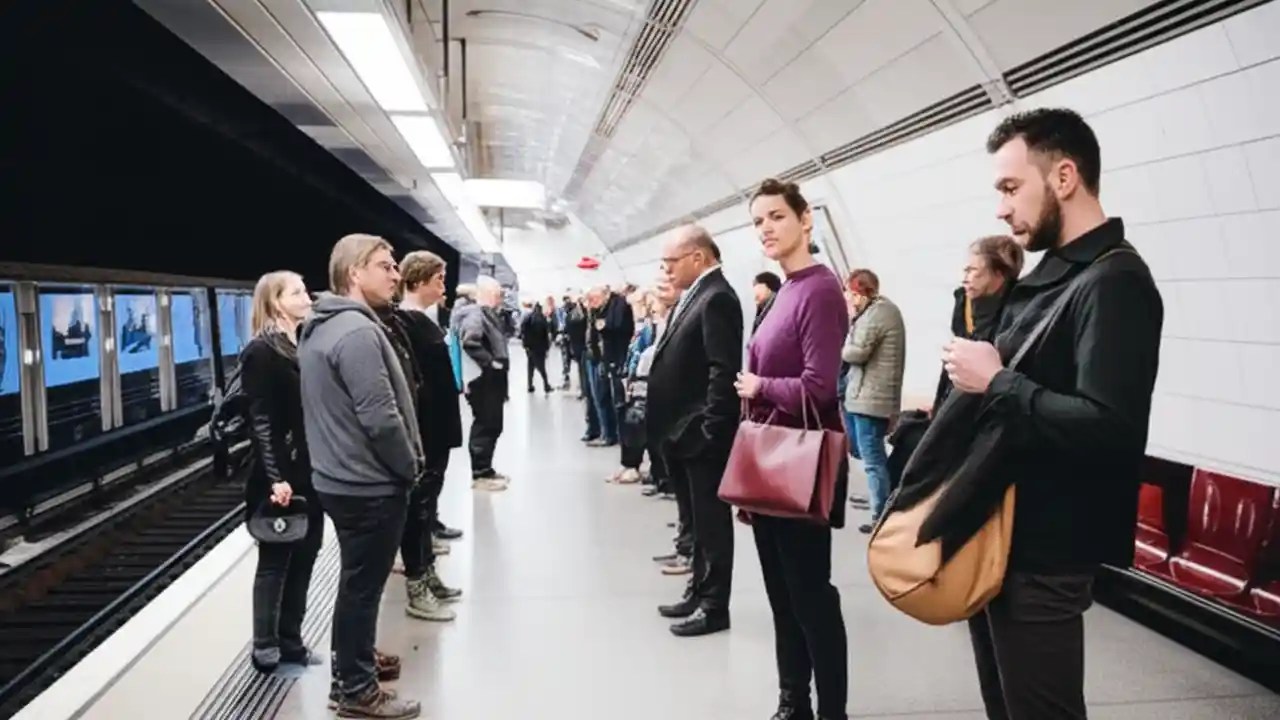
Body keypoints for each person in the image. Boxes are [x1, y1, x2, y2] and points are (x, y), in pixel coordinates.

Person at [944, 108, 1163, 719]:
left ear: (1064, 177)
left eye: (1011, 188)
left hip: (1046, 548)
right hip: (1006, 533)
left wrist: (997, 382)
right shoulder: (1060, 278)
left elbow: (1111, 427)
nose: (1001, 207)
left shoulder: (1114, 282)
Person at [736, 179, 850, 720]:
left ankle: (831, 710)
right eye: (758, 221)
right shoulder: (784, 290)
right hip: (770, 460)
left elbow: (820, 387)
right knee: (782, 597)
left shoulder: (821, 290)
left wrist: (760, 388)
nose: (766, 229)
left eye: (777, 217)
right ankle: (792, 702)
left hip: (799, 463)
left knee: (811, 598)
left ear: (806, 220)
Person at [298, 233, 423, 719]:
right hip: (368, 483)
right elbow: (380, 417)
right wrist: (408, 466)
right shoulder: (357, 333)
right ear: (355, 273)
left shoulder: (320, 325)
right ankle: (354, 688)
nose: (395, 274)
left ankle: (358, 659)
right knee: (361, 587)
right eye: (385, 266)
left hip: (338, 477)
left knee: (356, 582)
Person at [648, 224, 742, 637]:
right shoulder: (696, 296)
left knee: (712, 526)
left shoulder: (717, 297)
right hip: (683, 437)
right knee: (696, 526)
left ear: (698, 258)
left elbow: (723, 371)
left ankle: (714, 606)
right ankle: (697, 590)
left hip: (701, 439)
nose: (666, 271)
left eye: (671, 262)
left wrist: (710, 432)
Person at [241, 270, 324, 675]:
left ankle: (291, 639)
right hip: (281, 474)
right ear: (275, 302)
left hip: (311, 469)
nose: (307, 297)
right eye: (297, 292)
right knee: (275, 560)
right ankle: (265, 644)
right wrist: (276, 478)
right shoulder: (261, 351)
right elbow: (261, 421)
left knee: (306, 554)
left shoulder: (303, 342)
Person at [397, 250, 465, 622]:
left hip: (437, 429)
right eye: (438, 279)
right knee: (418, 509)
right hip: (426, 430)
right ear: (418, 280)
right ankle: (417, 583)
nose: (443, 286)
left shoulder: (423, 321)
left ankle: (428, 573)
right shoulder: (407, 323)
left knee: (427, 508)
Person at [841, 269, 905, 533]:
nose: (846, 298)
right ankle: (878, 499)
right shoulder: (874, 312)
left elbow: (855, 352)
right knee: (870, 454)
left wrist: (844, 344)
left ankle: (881, 514)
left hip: (871, 399)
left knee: (872, 458)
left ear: (858, 293)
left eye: (849, 292)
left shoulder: (878, 313)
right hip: (866, 396)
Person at [453, 275, 511, 489]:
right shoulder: (476, 314)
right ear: (488, 294)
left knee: (493, 424)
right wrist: (490, 363)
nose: (501, 298)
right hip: (482, 379)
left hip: (489, 380)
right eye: (498, 294)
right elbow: (470, 340)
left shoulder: (486, 314)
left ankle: (486, 469)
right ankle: (480, 473)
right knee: (485, 424)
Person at [520, 301, 554, 393]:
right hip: (540, 348)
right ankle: (546, 385)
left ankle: (530, 385)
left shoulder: (528, 318)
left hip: (530, 347)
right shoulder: (542, 319)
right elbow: (545, 335)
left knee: (530, 367)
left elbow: (523, 331)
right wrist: (547, 348)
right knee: (542, 368)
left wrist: (525, 344)